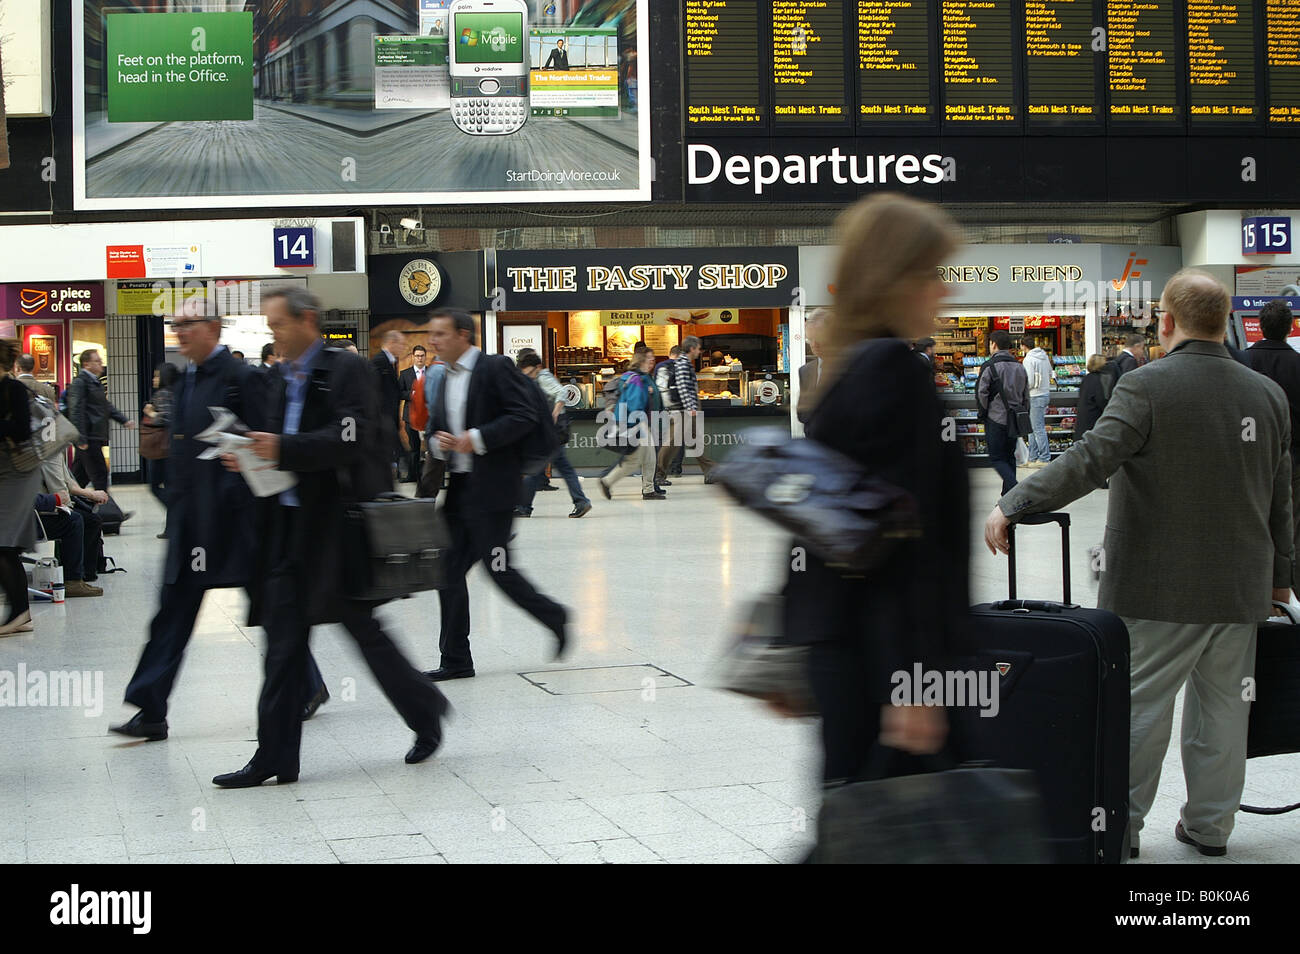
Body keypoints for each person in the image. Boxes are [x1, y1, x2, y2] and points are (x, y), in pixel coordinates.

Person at [984, 269, 1294, 859]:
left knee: (1140, 711)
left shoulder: (1148, 386)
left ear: (1167, 321)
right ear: (1225, 321)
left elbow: (1090, 459)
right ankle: (1210, 829)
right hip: (1240, 589)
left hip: (1157, 591)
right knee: (1225, 716)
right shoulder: (1266, 395)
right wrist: (1281, 578)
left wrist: (1014, 502)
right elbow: (1283, 498)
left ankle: (1121, 829)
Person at [214, 287, 450, 786]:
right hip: (288, 529)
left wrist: (283, 447)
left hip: (336, 530)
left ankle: (425, 710)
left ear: (308, 321)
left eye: (279, 324)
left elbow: (351, 438)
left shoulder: (346, 371)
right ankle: (275, 756)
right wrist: (251, 452)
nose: (273, 334)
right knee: (282, 646)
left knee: (363, 631)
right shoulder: (280, 378)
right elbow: (278, 444)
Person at [784, 193, 968, 794]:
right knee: (889, 828)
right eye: (933, 276)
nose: (946, 293)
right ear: (896, 280)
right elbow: (912, 546)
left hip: (850, 654)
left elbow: (818, 530)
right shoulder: (895, 373)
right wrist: (918, 683)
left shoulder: (848, 370)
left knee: (858, 821)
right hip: (887, 666)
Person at [111, 300, 328, 744]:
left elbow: (266, 440)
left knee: (269, 609)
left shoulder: (242, 378)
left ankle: (306, 685)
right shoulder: (187, 379)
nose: (180, 332)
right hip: (193, 522)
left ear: (213, 327)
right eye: (176, 325)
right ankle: (150, 707)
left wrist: (242, 477)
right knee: (172, 612)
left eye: (188, 324)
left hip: (237, 524)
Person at [423, 308, 570, 681]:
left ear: (463, 335)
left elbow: (522, 416)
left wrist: (477, 439)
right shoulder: (443, 377)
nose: (432, 341)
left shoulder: (494, 368)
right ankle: (456, 658)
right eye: (432, 334)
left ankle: (555, 615)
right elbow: (437, 428)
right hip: (458, 492)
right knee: (447, 571)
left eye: (440, 334)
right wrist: (439, 444)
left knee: (499, 569)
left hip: (492, 491)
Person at [1245, 298, 1300, 588]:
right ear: (1290, 328)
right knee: (1291, 527)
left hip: (1249, 459)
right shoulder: (1297, 363)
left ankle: (1256, 586)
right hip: (1294, 462)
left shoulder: (1242, 361)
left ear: (1259, 327)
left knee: (1253, 523)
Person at [0, 338, 43, 635]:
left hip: (18, 473)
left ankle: (19, 612)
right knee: (4, 544)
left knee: (3, 544)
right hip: (5, 471)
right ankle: (19, 612)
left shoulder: (13, 388)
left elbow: (22, 429)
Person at [515, 351, 592, 518]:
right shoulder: (538, 377)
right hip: (550, 429)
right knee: (545, 467)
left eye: (530, 373)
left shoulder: (543, 377)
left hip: (552, 428)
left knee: (541, 467)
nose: (529, 377)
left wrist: (555, 413)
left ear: (538, 367)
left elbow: (562, 392)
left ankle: (524, 506)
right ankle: (525, 506)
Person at [67, 349, 136, 491]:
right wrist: (81, 439)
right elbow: (75, 411)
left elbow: (106, 406)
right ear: (86, 364)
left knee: (80, 477)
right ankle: (107, 511)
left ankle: (71, 505)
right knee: (100, 475)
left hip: (93, 436)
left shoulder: (95, 382)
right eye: (97, 361)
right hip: (89, 437)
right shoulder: (81, 383)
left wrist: (124, 420)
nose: (101, 365)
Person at [599, 348, 664, 501]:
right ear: (641, 360)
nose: (652, 360)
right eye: (649, 358)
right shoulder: (636, 379)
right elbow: (635, 405)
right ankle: (607, 481)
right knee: (634, 460)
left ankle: (648, 489)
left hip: (639, 423)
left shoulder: (641, 377)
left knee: (649, 458)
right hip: (636, 424)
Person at [659, 336, 719, 482]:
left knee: (693, 440)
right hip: (684, 409)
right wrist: (690, 407)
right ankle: (657, 473)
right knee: (673, 441)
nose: (699, 351)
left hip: (686, 408)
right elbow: (683, 387)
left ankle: (710, 471)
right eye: (698, 348)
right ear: (692, 348)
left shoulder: (684, 363)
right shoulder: (684, 364)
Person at [976, 330, 1028, 494]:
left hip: (996, 418)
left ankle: (1014, 487)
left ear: (994, 344)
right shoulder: (1020, 367)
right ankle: (1009, 497)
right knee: (1010, 456)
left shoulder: (989, 366)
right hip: (1015, 419)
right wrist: (1024, 413)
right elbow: (1026, 395)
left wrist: (983, 412)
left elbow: (981, 393)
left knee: (997, 458)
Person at [33, 492, 102, 598]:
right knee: (73, 521)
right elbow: (21, 497)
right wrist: (54, 499)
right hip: (17, 525)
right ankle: (73, 580)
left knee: (80, 518)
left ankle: (78, 577)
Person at [143, 363, 179, 539]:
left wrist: (150, 412)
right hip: (172, 448)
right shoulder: (176, 392)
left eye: (157, 376)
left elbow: (166, 418)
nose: (154, 379)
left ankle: (179, 515)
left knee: (155, 487)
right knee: (169, 486)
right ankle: (171, 527)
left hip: (162, 448)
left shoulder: (163, 394)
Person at [370, 331, 405, 476]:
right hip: (383, 419)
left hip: (389, 420)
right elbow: (375, 391)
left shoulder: (390, 362)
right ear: (391, 342)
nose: (403, 348)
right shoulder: (379, 361)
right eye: (401, 344)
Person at [398, 345, 430, 485]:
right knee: (414, 448)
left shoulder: (432, 372)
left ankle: (431, 477)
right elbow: (399, 393)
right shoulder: (405, 374)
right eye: (417, 355)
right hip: (411, 417)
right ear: (413, 357)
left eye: (422, 355)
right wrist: (412, 394)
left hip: (429, 417)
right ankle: (412, 475)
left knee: (432, 449)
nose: (420, 358)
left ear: (425, 356)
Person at [1023, 336, 1054, 468]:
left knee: (1037, 428)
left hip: (1035, 395)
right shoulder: (1044, 356)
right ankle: (1032, 457)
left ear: (1024, 346)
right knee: (1032, 428)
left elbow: (1029, 381)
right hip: (1045, 393)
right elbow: (1049, 373)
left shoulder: (1028, 359)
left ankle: (1044, 458)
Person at [653, 345, 683, 486]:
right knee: (675, 441)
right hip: (674, 409)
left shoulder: (660, 366)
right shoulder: (678, 367)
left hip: (662, 409)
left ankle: (660, 472)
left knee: (666, 440)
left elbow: (659, 388)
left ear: (669, 353)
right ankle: (672, 469)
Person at [797, 309, 829, 425]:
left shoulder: (851, 365)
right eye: (810, 339)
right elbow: (801, 414)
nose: (814, 345)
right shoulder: (805, 371)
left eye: (819, 338)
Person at [1073, 354, 1110, 441]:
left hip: (1082, 420)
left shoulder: (1086, 378)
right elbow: (1100, 399)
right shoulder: (1099, 380)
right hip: (1093, 420)